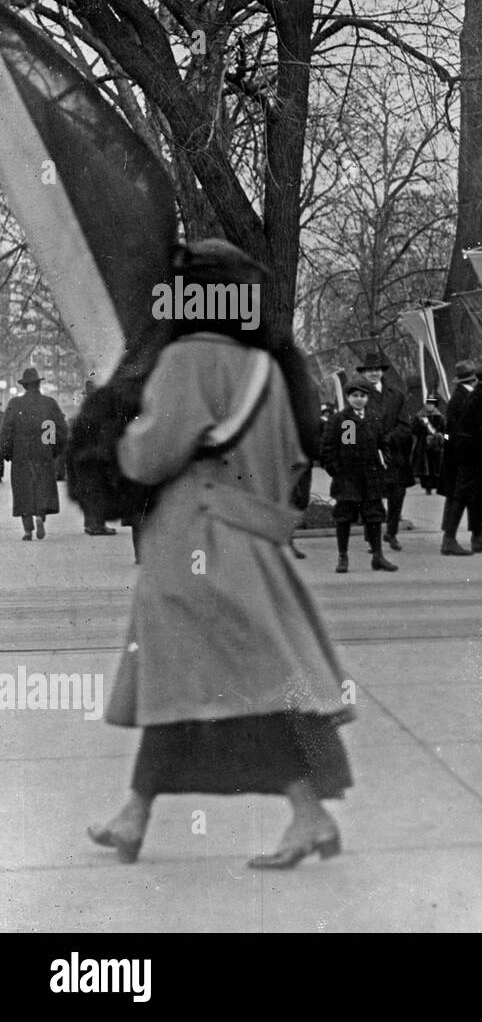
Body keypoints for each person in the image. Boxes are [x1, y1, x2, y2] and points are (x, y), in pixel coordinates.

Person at [88, 238, 354, 869]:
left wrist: (117, 444)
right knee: (195, 680)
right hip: (251, 541)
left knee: (227, 685)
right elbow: (294, 456)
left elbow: (152, 456)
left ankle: (307, 813)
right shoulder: (271, 368)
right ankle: (135, 813)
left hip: (194, 543)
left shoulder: (186, 359)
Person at [321, 379, 398, 573]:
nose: (359, 400)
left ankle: (378, 556)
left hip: (371, 477)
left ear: (368, 398)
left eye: (363, 396)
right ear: (348, 397)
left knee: (374, 516)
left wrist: (385, 460)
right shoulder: (341, 419)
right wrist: (336, 471)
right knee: (344, 517)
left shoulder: (374, 417)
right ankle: (343, 556)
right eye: (355, 396)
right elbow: (329, 449)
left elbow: (382, 443)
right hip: (348, 478)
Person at [0, 366, 68, 540]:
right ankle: (40, 517)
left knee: (24, 489)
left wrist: (7, 453)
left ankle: (28, 529)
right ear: (38, 384)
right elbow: (58, 429)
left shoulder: (14, 404)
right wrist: (52, 450)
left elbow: (6, 432)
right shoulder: (49, 403)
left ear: (24, 386)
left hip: (21, 453)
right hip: (43, 451)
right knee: (42, 486)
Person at [355, 352, 413, 552]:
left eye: (377, 370)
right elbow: (352, 423)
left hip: (393, 454)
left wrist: (390, 438)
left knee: (397, 495)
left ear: (382, 372)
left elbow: (405, 425)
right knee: (371, 498)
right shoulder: (358, 395)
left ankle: (392, 533)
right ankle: (373, 539)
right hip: (369, 454)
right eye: (369, 370)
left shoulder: (396, 395)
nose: (373, 373)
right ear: (364, 373)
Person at [439, 360, 482, 555]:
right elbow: (458, 430)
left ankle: (477, 535)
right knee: (462, 496)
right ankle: (451, 538)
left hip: (468, 455)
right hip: (468, 456)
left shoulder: (464, 395)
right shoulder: (464, 397)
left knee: (475, 496)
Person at [74, 379, 117, 537]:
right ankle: (97, 525)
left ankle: (90, 523)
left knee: (88, 490)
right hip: (96, 456)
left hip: (83, 457)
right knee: (99, 490)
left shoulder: (82, 413)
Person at [411, 394, 446, 495]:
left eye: (431, 404)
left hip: (436, 445)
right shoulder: (419, 416)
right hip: (422, 445)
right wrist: (421, 426)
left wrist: (443, 438)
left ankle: (436, 485)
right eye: (428, 403)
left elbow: (447, 432)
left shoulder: (440, 417)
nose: (429, 406)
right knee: (424, 467)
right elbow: (413, 430)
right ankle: (427, 487)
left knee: (436, 466)